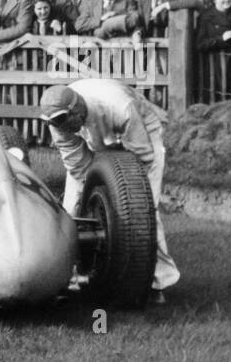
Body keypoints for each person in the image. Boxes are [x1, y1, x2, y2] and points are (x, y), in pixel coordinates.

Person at [39, 80, 179, 301]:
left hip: (142, 136)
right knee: (71, 206)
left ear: (76, 110)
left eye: (64, 121)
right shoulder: (58, 123)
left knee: (144, 212)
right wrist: (92, 202)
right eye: (56, 124)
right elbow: (78, 167)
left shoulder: (119, 105)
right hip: (97, 138)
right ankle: (68, 276)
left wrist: (123, 199)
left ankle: (156, 283)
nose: (61, 127)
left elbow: (142, 157)